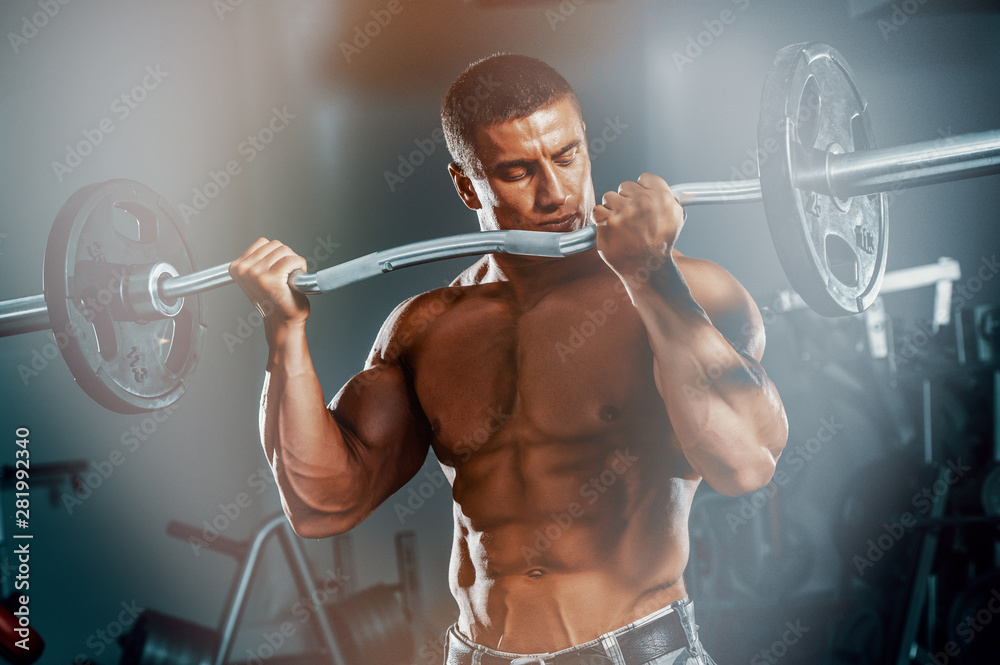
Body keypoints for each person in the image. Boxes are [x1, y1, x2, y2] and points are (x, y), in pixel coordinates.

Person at [229, 54, 787, 665]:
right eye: (518, 172)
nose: (555, 193)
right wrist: (283, 330)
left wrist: (651, 274)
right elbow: (321, 505)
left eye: (567, 156)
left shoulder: (687, 291)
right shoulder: (427, 328)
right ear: (467, 185)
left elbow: (745, 464)